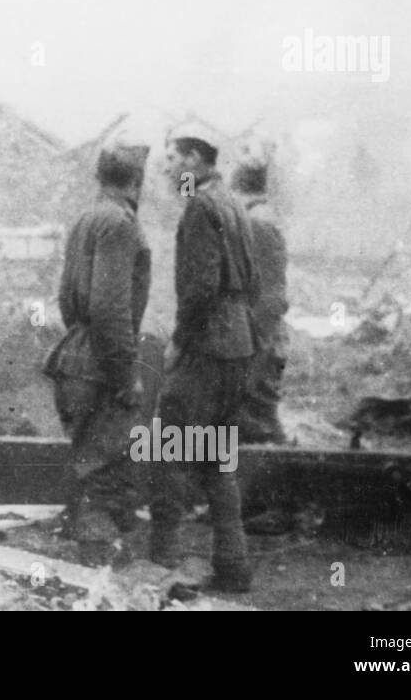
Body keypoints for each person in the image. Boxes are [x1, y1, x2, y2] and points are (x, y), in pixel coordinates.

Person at [149, 124, 259, 592]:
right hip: (238, 344)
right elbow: (250, 281)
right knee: (216, 457)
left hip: (206, 346)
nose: (167, 167)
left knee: (167, 448)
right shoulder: (233, 202)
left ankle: (161, 559)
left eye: (172, 158)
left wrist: (180, 341)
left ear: (194, 159)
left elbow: (198, 289)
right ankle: (233, 566)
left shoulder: (199, 206)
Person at [43, 141, 152, 545]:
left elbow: (67, 296)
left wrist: (86, 344)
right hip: (101, 364)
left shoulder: (87, 218)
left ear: (99, 177)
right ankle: (100, 584)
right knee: (104, 475)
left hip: (78, 354)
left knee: (87, 462)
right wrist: (125, 375)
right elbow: (109, 308)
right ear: (137, 181)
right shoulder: (119, 223)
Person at [231, 153, 289, 445]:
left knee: (255, 416)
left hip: (258, 334)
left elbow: (268, 294)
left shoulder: (256, 223)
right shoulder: (258, 218)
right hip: (259, 331)